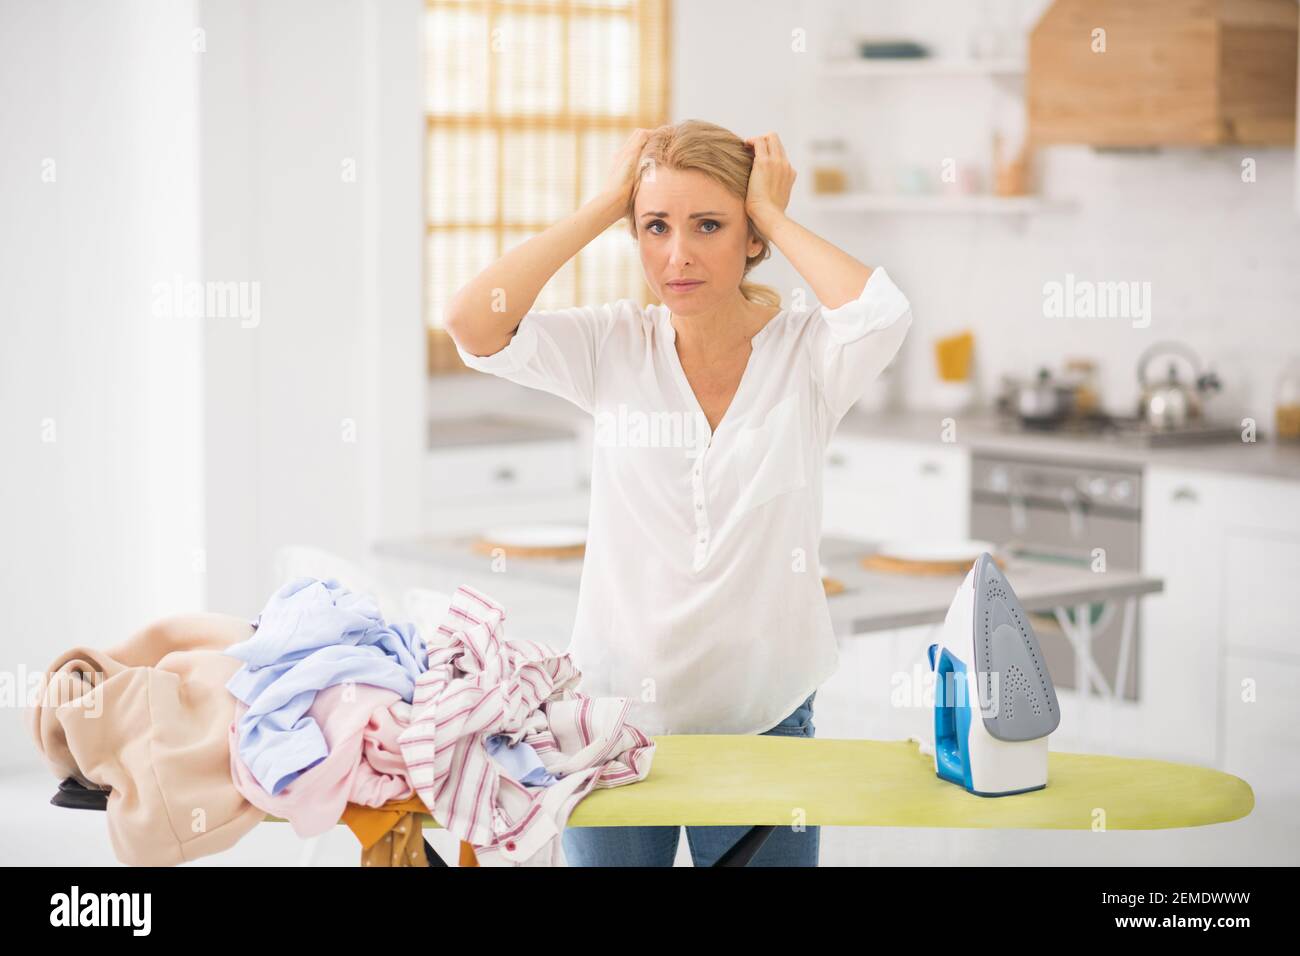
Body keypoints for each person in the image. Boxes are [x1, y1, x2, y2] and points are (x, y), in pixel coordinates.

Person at [445, 120, 913, 866]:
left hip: (763, 716)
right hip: (609, 722)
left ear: (750, 236)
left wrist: (777, 214)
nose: (678, 254)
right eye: (655, 227)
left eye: (710, 225)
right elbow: (472, 322)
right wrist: (606, 203)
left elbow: (882, 314)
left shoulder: (807, 353)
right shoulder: (610, 345)